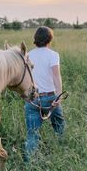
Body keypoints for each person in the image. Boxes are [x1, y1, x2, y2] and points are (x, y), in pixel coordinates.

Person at [24, 25, 64, 161]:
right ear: (49, 39)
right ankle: (62, 154)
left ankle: (29, 164)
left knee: (32, 134)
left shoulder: (28, 55)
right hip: (51, 97)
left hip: (33, 99)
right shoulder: (53, 55)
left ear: (36, 39)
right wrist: (59, 96)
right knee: (59, 127)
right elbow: (56, 76)